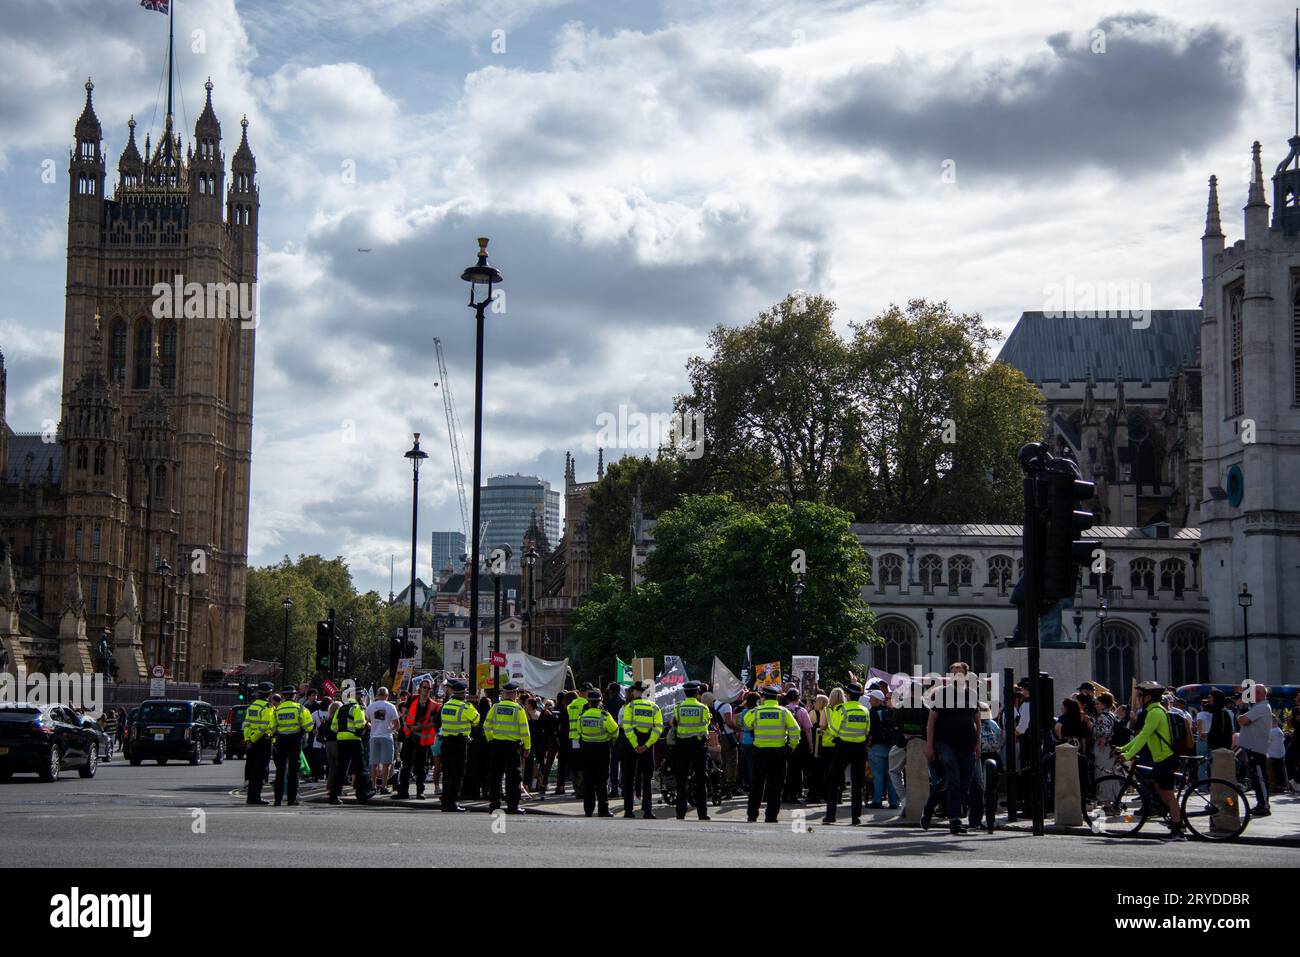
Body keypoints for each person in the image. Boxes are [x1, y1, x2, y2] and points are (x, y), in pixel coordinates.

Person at [1116, 680, 1184, 838]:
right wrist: (1123, 749)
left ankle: (1178, 829)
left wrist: (1127, 756)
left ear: (1149, 697)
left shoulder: (1155, 713)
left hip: (1166, 758)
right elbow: (1141, 736)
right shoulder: (1156, 711)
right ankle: (1175, 819)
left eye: (1140, 696)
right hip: (1160, 759)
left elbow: (1143, 736)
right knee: (1160, 791)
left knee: (1168, 795)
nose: (1138, 699)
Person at [923, 663, 981, 836]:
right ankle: (955, 820)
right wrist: (930, 745)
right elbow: (932, 721)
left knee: (961, 783)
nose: (956, 676)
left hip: (967, 744)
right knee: (954, 779)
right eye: (953, 673)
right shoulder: (942, 693)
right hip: (946, 744)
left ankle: (930, 806)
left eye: (959, 673)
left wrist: (978, 743)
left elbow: (977, 720)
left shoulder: (971, 694)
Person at [743, 685, 800, 823]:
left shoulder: (756, 711)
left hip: (760, 752)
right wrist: (791, 746)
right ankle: (771, 816)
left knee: (756, 785)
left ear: (763, 697)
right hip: (779, 753)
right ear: (777, 697)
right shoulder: (784, 712)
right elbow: (795, 730)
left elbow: (747, 723)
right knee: (776, 786)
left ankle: (752, 815)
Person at [822, 682, 870, 825]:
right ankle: (856, 817)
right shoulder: (864, 710)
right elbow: (867, 731)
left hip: (843, 747)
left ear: (848, 695)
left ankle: (830, 815)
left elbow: (833, 729)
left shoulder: (842, 710)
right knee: (857, 784)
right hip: (860, 748)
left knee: (833, 781)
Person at [619, 680, 663, 819]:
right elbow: (658, 728)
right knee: (647, 780)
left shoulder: (629, 707)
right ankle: (648, 811)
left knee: (629, 779)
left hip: (632, 747)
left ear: (635, 692)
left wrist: (635, 744)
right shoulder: (654, 707)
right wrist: (647, 744)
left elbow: (627, 726)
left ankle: (628, 811)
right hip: (647, 747)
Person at [484, 682, 530, 814]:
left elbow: (487, 726)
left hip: (497, 745)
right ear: (515, 694)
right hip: (512, 747)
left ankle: (494, 805)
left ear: (504, 694)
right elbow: (525, 731)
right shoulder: (518, 709)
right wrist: (527, 746)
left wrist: (491, 739)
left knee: (495, 776)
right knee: (513, 777)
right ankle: (512, 806)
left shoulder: (495, 708)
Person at [671, 681, 712, 821]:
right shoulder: (703, 708)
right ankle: (702, 813)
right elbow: (707, 723)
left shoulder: (678, 707)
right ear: (697, 692)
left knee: (681, 780)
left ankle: (680, 813)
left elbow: (674, 723)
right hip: (699, 746)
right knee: (701, 780)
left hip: (682, 746)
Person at [438, 679, 480, 812]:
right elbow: (476, 720)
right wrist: (471, 706)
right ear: (463, 694)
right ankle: (452, 803)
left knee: (447, 773)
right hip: (459, 744)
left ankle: (445, 802)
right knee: (457, 774)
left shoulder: (447, 705)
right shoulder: (464, 707)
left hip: (446, 743)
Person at [577, 689, 619, 818]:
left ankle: (588, 810)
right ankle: (603, 810)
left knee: (588, 781)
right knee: (601, 781)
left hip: (586, 750)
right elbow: (615, 731)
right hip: (602, 750)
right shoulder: (604, 715)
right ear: (599, 702)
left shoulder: (583, 716)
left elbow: (579, 732)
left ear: (589, 703)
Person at [393, 679, 438, 800]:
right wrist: (405, 722)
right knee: (406, 765)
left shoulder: (434, 705)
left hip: (422, 740)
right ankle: (403, 792)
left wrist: (420, 727)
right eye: (424, 687)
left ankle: (420, 792)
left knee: (421, 766)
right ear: (420, 688)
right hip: (409, 737)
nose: (426, 690)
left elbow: (434, 723)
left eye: (429, 688)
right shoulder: (412, 699)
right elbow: (403, 711)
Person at [270, 687, 313, 807]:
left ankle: (277, 800)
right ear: (294, 696)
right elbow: (309, 726)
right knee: (293, 771)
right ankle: (291, 800)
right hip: (295, 740)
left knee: (280, 771)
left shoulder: (277, 710)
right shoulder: (300, 709)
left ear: (283, 696)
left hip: (281, 741)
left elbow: (272, 728)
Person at [328, 693, 372, 805]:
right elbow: (359, 725)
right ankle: (362, 795)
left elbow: (333, 727)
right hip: (354, 740)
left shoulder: (341, 708)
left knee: (341, 769)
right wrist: (366, 724)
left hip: (341, 741)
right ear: (359, 698)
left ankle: (334, 795)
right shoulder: (357, 708)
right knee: (361, 768)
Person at [1236, 683, 1273, 817]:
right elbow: (1244, 720)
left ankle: (1264, 805)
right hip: (1253, 747)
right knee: (1257, 778)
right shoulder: (1258, 707)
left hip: (1257, 748)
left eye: (1252, 692)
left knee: (1260, 777)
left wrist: (1243, 718)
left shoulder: (1262, 707)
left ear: (1259, 694)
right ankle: (1260, 803)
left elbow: (1242, 720)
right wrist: (1244, 719)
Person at [969, 701, 1003, 833]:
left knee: (977, 789)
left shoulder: (973, 725)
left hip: (979, 756)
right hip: (994, 757)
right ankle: (990, 816)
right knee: (992, 789)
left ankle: (977, 819)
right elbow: (1001, 739)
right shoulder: (993, 724)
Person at [243, 682, 275, 806]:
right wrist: (254, 739)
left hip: (252, 741)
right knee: (261, 770)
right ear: (270, 693)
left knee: (252, 769)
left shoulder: (253, 706)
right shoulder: (267, 707)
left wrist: (248, 739)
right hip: (262, 741)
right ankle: (255, 798)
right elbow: (264, 726)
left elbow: (246, 724)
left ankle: (251, 797)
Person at [866, 689, 899, 809]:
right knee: (890, 775)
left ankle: (877, 800)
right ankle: (894, 802)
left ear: (876, 700)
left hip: (877, 747)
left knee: (877, 775)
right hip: (891, 747)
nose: (869, 700)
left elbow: (870, 731)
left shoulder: (872, 712)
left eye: (871, 698)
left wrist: (868, 746)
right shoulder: (890, 711)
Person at [365, 687, 400, 795]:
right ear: (387, 695)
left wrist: (376, 725)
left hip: (374, 736)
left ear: (377, 695)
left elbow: (367, 720)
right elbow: (397, 724)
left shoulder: (370, 707)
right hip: (386, 736)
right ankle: (383, 786)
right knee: (386, 763)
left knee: (374, 763)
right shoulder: (391, 706)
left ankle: (373, 785)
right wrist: (390, 729)